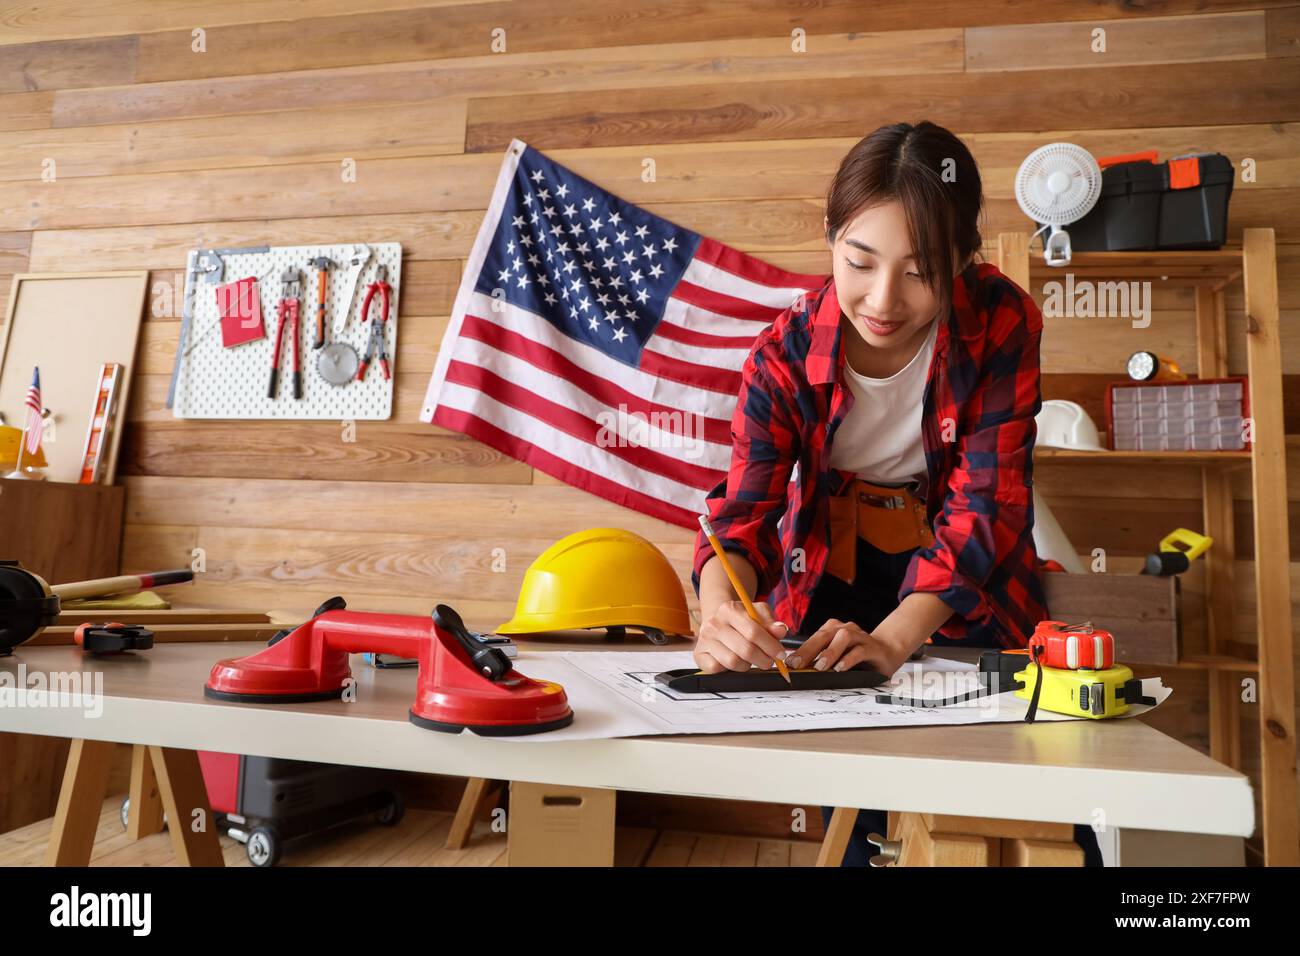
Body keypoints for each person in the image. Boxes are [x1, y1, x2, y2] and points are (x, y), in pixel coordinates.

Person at [689, 121, 1102, 866]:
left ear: (962, 262)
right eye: (860, 260)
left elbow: (987, 503)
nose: (882, 300)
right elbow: (742, 518)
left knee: (1026, 806)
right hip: (831, 584)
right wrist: (720, 613)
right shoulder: (781, 354)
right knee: (860, 819)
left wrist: (893, 641)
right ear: (830, 235)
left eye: (920, 271)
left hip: (965, 582)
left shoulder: (1001, 319)